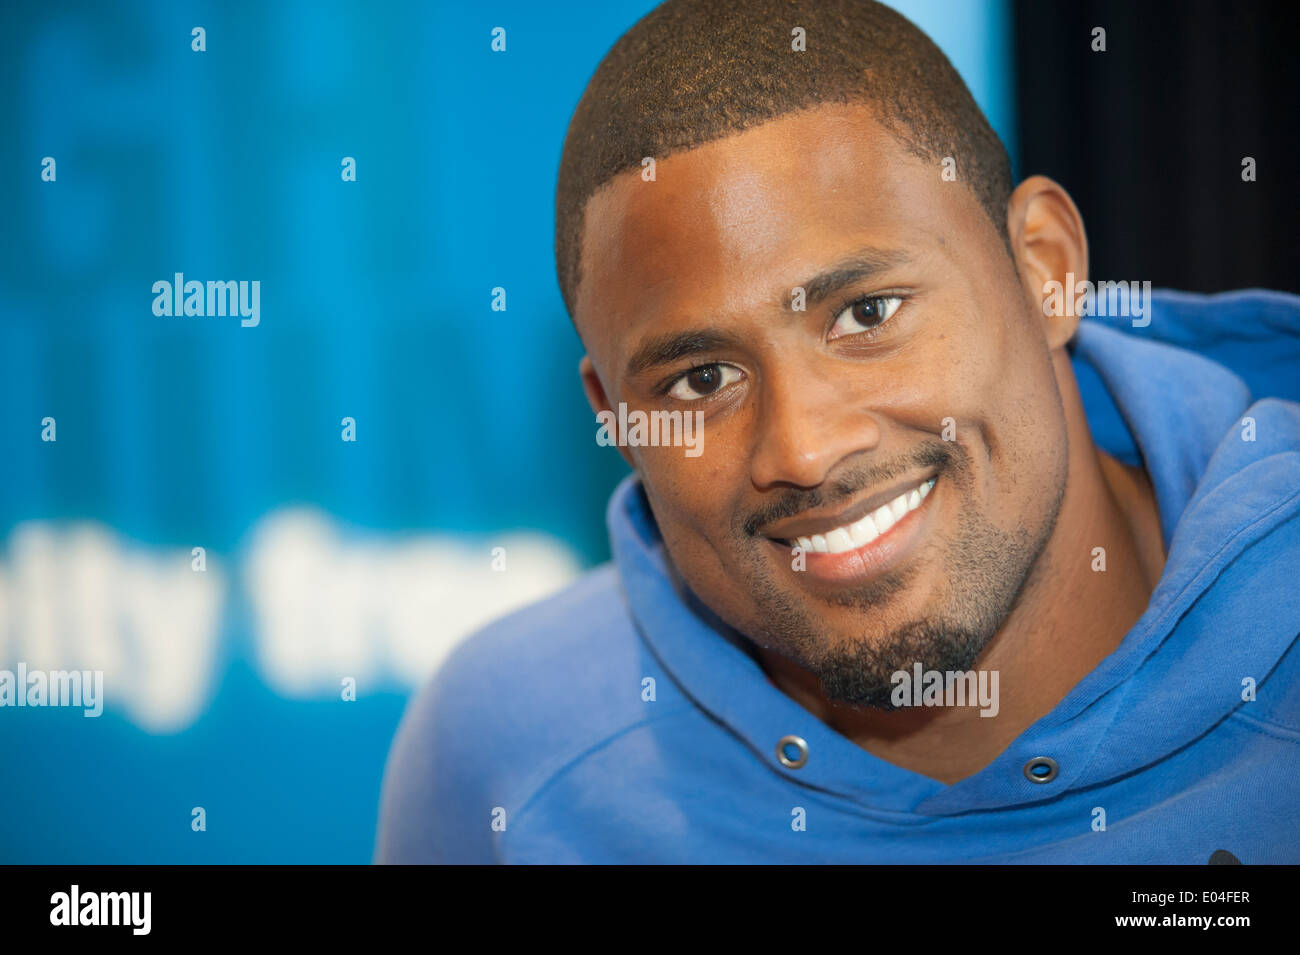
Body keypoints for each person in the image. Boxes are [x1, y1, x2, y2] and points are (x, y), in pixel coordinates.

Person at [376, 0, 1300, 863]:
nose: (804, 448)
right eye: (703, 380)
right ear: (617, 420)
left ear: (1046, 270)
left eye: (867, 313)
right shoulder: (507, 757)